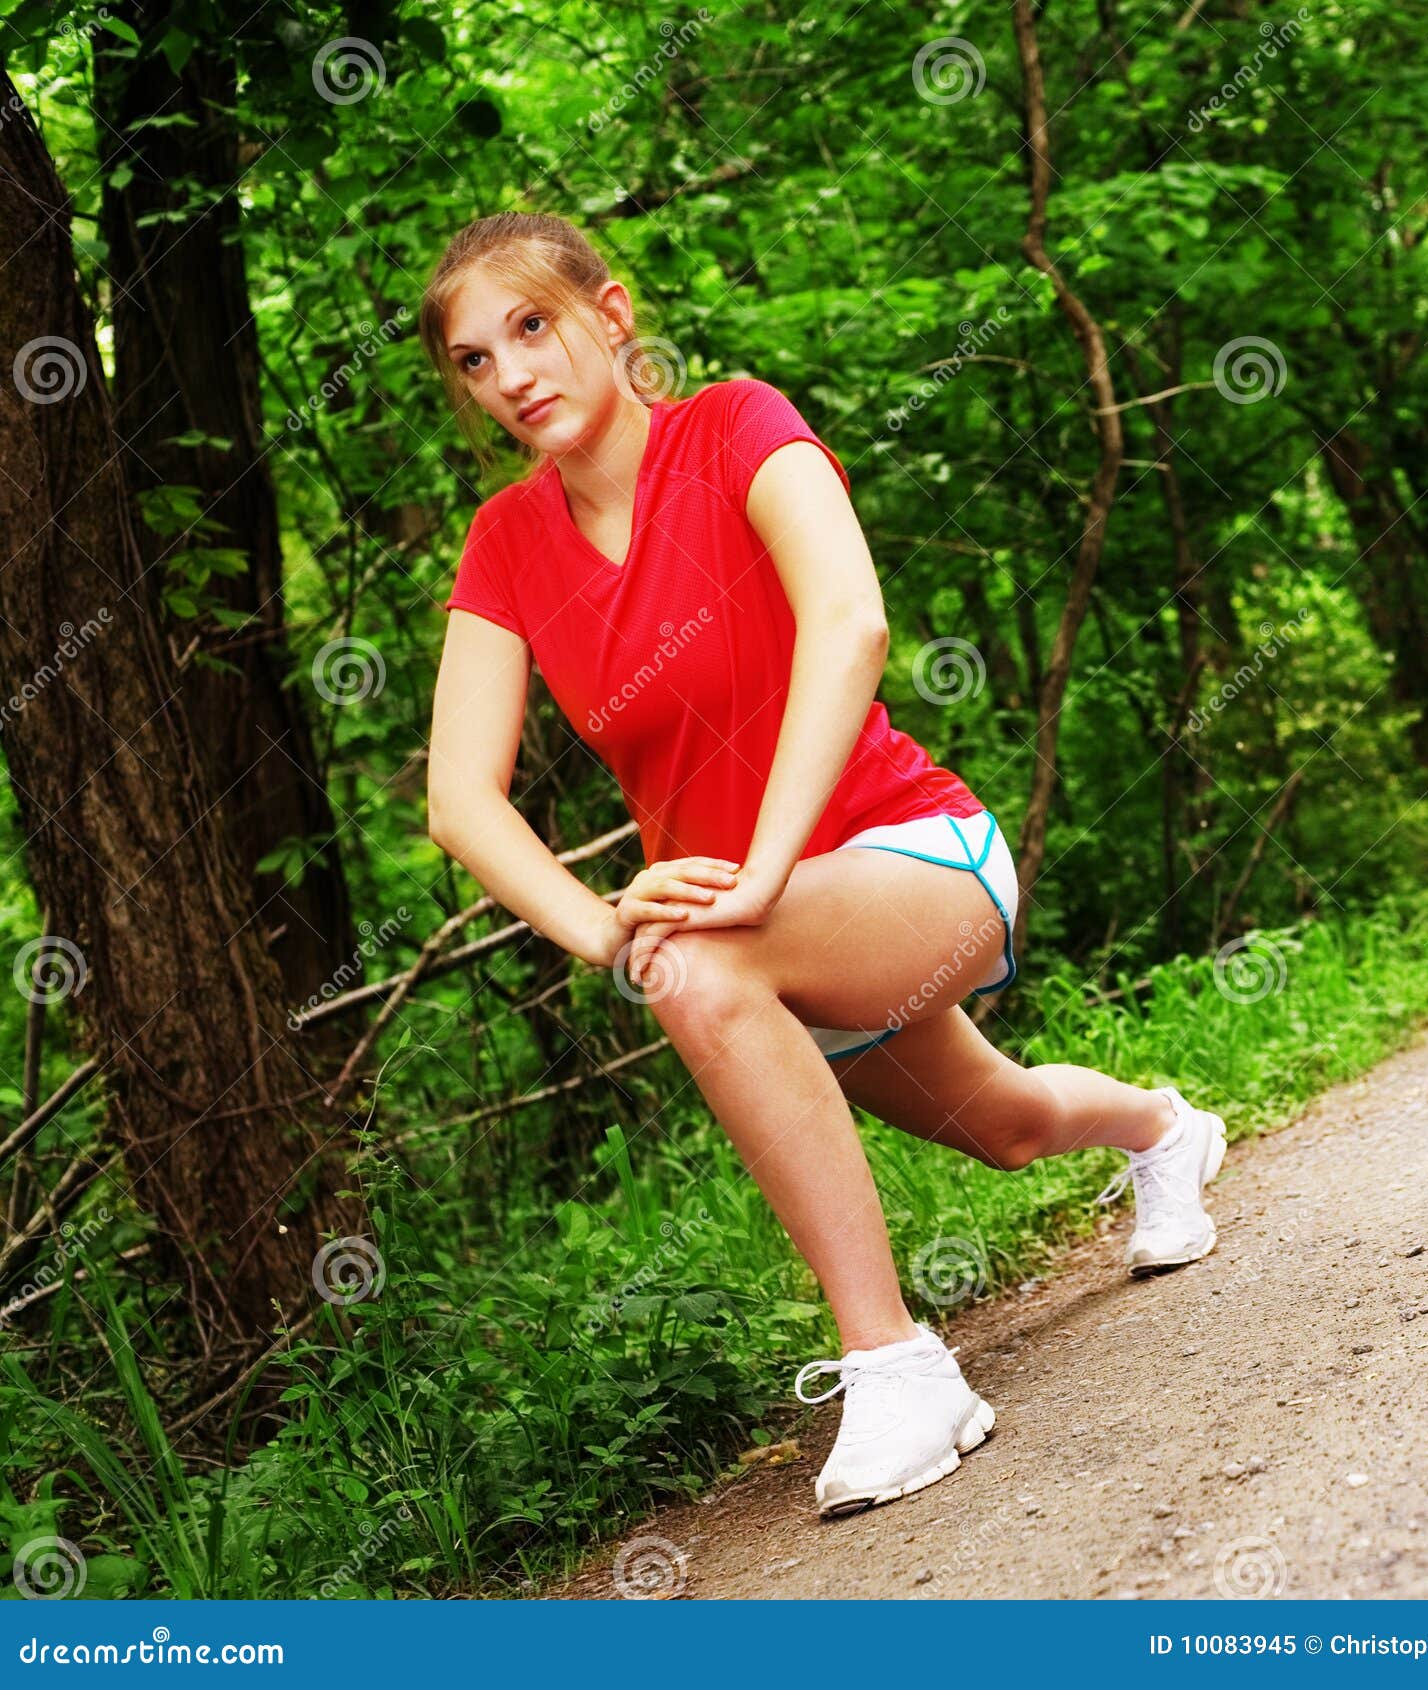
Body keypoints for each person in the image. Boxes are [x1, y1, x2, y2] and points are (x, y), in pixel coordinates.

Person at [421, 211, 1228, 1520]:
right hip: (767, 952)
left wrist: (756, 873)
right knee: (1010, 1126)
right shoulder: (507, 547)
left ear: (611, 315)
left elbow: (849, 623)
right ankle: (1163, 1126)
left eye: (532, 325)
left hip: (915, 860)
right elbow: (461, 795)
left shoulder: (736, 426)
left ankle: (897, 1361)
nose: (511, 373)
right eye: (473, 359)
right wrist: (597, 924)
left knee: (693, 959)